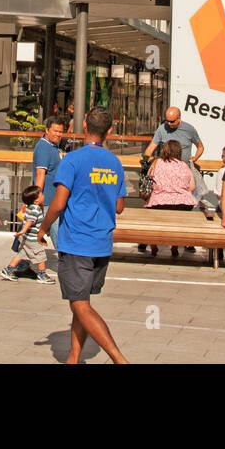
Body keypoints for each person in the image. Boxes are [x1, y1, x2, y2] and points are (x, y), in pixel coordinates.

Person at [37, 106, 129, 365]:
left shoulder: (73, 160)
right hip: (102, 243)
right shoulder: (115, 162)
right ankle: (74, 357)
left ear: (85, 126)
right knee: (82, 301)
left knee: (79, 304)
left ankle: (119, 359)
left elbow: (58, 203)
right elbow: (119, 206)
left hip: (77, 241)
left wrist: (43, 228)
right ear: (109, 131)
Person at [144, 107, 213, 215]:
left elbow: (200, 146)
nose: (168, 124)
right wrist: (146, 162)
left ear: (179, 118)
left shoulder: (189, 129)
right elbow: (151, 147)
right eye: (167, 120)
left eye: (172, 121)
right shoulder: (162, 129)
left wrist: (195, 157)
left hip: (184, 169)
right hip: (167, 168)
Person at [144, 140, 197, 258]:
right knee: (178, 223)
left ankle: (153, 246)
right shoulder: (184, 166)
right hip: (182, 203)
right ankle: (175, 246)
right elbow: (192, 187)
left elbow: (148, 180)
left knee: (154, 222)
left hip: (158, 202)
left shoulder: (157, 163)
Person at [1, 185, 56, 283]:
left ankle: (8, 270)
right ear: (36, 200)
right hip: (32, 239)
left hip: (26, 238)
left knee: (21, 254)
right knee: (41, 256)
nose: (43, 195)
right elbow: (29, 221)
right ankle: (42, 275)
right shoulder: (35, 209)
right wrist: (23, 230)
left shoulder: (30, 207)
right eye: (41, 194)